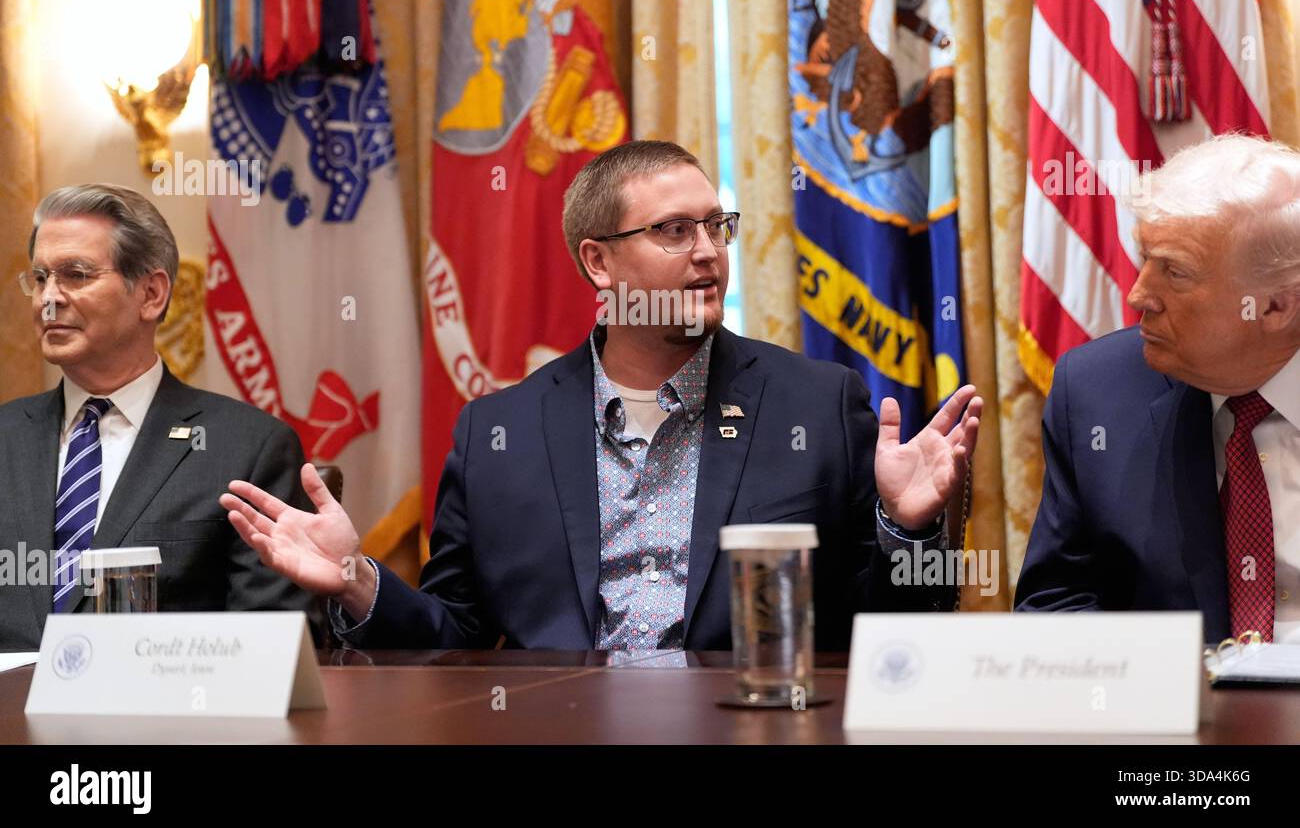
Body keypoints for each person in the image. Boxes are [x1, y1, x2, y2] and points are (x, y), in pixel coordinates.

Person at [223, 140, 983, 651]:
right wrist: (357, 577)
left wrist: (909, 532)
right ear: (599, 262)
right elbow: (452, 637)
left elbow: (887, 639)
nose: (710, 253)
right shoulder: (500, 433)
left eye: (718, 226)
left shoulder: (815, 406)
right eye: (675, 231)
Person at [0, 184, 314, 650]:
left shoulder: (247, 449)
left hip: (167, 718)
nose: (49, 298)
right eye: (41, 277)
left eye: (76, 275)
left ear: (151, 293)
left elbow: (272, 649)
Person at [1016, 134, 1300, 643]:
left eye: (1175, 272)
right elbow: (1054, 607)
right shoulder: (1096, 392)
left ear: (1277, 307)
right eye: (1145, 258)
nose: (1138, 294)